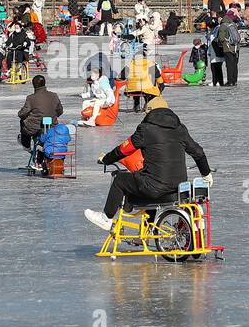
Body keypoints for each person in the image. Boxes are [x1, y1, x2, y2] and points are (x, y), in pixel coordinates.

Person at [85, 94, 212, 234]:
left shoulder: (146, 129)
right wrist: (206, 174)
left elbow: (124, 149)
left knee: (121, 179)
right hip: (178, 187)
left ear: (151, 112)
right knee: (146, 180)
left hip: (155, 187)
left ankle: (106, 217)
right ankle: (147, 230)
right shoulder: (180, 129)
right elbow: (198, 152)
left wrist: (107, 159)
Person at [17, 75, 64, 149]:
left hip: (35, 129)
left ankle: (26, 145)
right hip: (51, 126)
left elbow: (22, 113)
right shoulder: (54, 96)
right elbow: (60, 111)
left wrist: (20, 114)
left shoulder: (31, 98)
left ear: (33, 85)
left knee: (23, 122)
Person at [122, 46, 163, 111]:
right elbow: (158, 77)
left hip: (132, 89)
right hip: (148, 88)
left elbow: (121, 77)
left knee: (137, 86)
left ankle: (136, 104)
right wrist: (161, 86)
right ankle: (148, 102)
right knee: (150, 89)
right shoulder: (151, 64)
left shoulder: (130, 64)